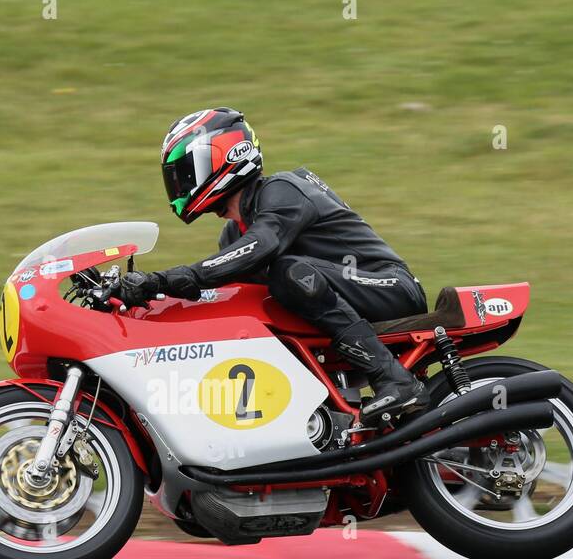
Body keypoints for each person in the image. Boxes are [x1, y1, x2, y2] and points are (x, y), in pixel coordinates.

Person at [114, 107, 429, 420]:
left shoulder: (282, 190)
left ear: (227, 153)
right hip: (349, 297)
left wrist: (167, 278)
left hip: (389, 287)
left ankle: (395, 380)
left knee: (289, 273)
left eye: (185, 173)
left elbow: (261, 247)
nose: (180, 186)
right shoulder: (231, 236)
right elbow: (225, 281)